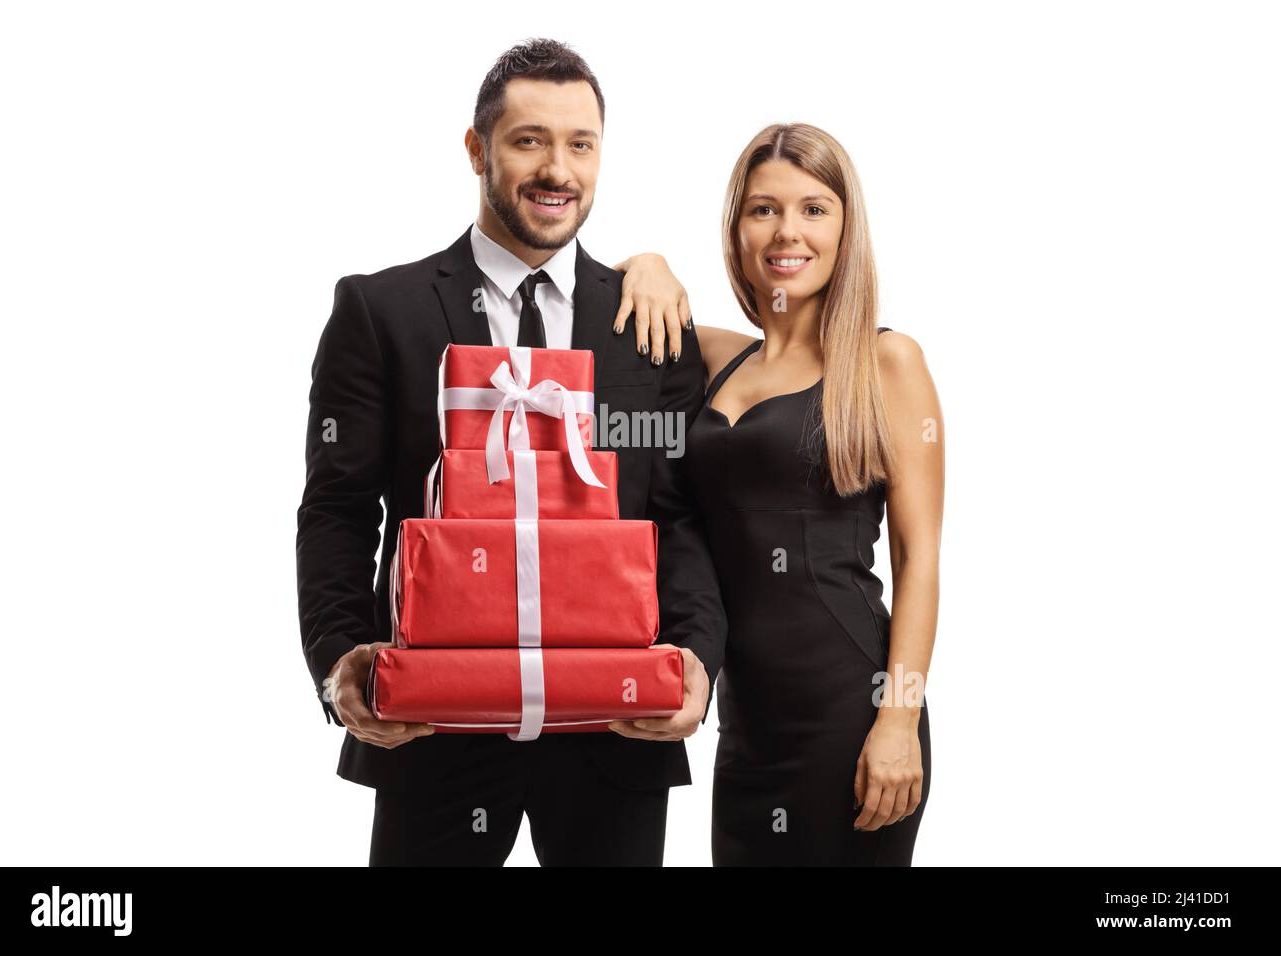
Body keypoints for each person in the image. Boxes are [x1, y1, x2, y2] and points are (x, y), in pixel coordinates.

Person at [296, 38, 726, 866]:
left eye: (580, 144)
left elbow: (675, 514)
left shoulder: (649, 330)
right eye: (529, 140)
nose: (556, 169)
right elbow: (338, 511)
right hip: (432, 724)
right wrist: (343, 658)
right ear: (477, 149)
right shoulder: (380, 314)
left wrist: (698, 663)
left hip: (615, 725)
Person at [616, 123, 943, 865]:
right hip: (744, 722)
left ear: (845, 227)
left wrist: (898, 718)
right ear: (735, 228)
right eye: (762, 209)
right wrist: (651, 262)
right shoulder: (716, 359)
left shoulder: (887, 362)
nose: (786, 230)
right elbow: (604, 305)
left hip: (850, 715)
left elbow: (918, 558)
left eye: (813, 209)